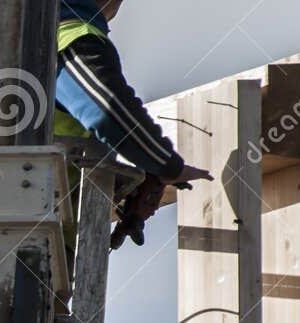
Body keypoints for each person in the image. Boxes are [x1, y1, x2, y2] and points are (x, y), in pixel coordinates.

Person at [55, 0, 211, 247]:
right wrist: (165, 164)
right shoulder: (69, 32)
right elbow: (107, 112)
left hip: (17, 227)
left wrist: (133, 176)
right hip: (22, 239)